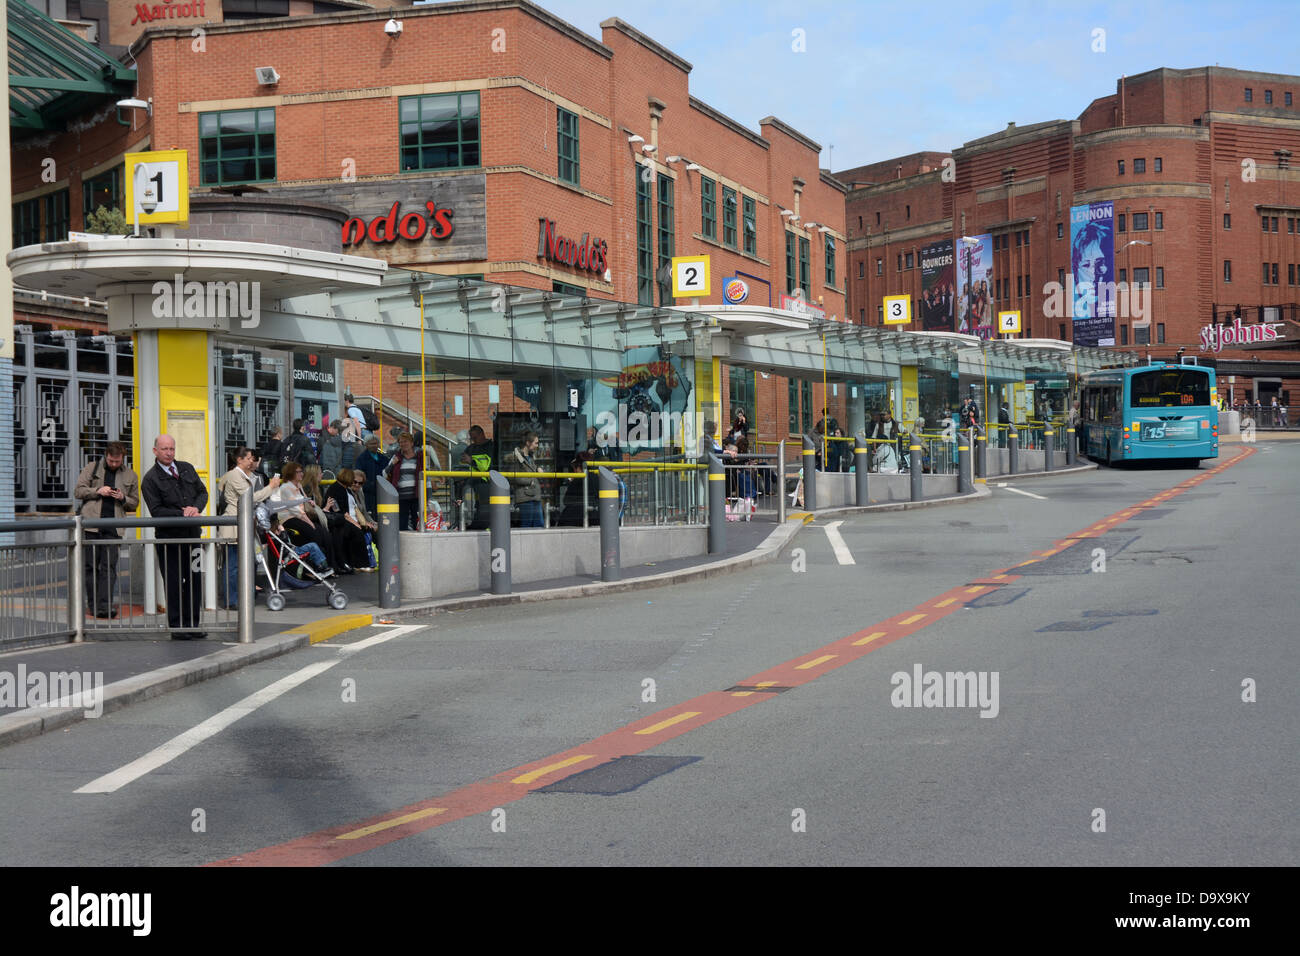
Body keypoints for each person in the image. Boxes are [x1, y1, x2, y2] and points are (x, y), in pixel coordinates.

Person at [141, 434, 208, 640]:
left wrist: (196, 507)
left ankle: (193, 624)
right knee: (174, 582)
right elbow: (156, 510)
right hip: (170, 539)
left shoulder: (186, 467)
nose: (169, 453)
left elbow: (202, 492)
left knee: (195, 580)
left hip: (193, 535)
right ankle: (177, 626)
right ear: (155, 451)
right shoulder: (150, 479)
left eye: (171, 448)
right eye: (164, 449)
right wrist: (183, 512)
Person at [73, 441, 139, 619]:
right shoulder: (92, 468)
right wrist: (97, 490)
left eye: (117, 461)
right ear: (106, 456)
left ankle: (105, 606)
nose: (114, 464)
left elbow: (135, 502)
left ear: (123, 458)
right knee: (90, 567)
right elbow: (78, 491)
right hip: (92, 525)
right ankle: (93, 605)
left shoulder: (130, 475)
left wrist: (123, 497)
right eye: (111, 461)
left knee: (108, 568)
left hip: (114, 527)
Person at [216, 446, 281, 607]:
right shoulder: (234, 476)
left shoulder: (243, 475)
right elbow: (249, 497)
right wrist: (270, 487)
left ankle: (240, 597)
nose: (252, 461)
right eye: (249, 458)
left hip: (242, 525)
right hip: (233, 526)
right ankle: (232, 600)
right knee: (232, 565)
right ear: (240, 460)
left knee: (240, 564)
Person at [274, 461, 339, 572]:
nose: (301, 474)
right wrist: (310, 523)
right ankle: (317, 565)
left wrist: (307, 500)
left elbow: (304, 502)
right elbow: (297, 511)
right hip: (289, 519)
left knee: (324, 534)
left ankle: (331, 565)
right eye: (298, 472)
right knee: (314, 533)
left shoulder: (297, 486)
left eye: (301, 472)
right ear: (291, 474)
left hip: (299, 517)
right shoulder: (286, 488)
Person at [326, 467, 376, 572]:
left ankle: (373, 561)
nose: (355, 484)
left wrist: (364, 522)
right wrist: (356, 524)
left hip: (345, 519)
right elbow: (342, 512)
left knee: (372, 531)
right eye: (353, 480)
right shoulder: (337, 489)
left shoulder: (345, 489)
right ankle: (360, 564)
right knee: (357, 532)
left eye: (359, 483)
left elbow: (356, 509)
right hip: (338, 521)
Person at [385, 431, 425, 531]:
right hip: (401, 496)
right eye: (401, 442)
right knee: (402, 523)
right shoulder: (397, 457)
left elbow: (426, 475)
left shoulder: (420, 457)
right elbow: (384, 474)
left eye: (405, 441)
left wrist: (427, 495)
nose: (403, 444)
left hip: (417, 495)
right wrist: (392, 464)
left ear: (412, 443)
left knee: (418, 522)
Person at [506, 430, 545, 527]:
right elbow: (512, 477)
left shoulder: (531, 457)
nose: (537, 445)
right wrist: (531, 481)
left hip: (535, 496)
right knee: (527, 526)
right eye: (536, 443)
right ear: (528, 443)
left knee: (539, 525)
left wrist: (538, 469)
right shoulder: (515, 458)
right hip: (525, 498)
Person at [355, 435, 390, 514]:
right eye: (371, 444)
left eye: (375, 443)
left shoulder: (383, 458)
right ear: (366, 445)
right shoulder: (361, 459)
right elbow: (359, 475)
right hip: (368, 493)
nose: (374, 446)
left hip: (382, 491)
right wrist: (369, 485)